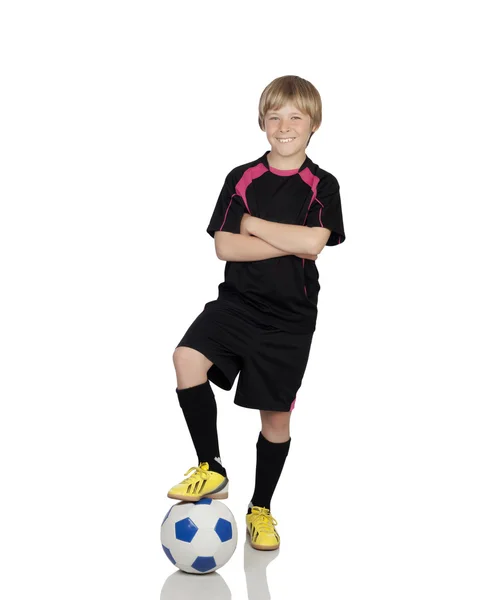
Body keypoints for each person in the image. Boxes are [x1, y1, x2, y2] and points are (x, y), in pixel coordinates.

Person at [168, 75, 346, 551]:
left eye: (295, 118)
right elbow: (225, 247)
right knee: (186, 358)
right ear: (262, 123)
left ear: (313, 125)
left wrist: (255, 226)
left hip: (291, 319)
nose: (284, 126)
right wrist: (287, 242)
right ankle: (211, 468)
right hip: (238, 304)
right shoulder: (241, 177)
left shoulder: (322, 185)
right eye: (275, 117)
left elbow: (315, 245)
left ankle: (261, 508)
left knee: (275, 421)